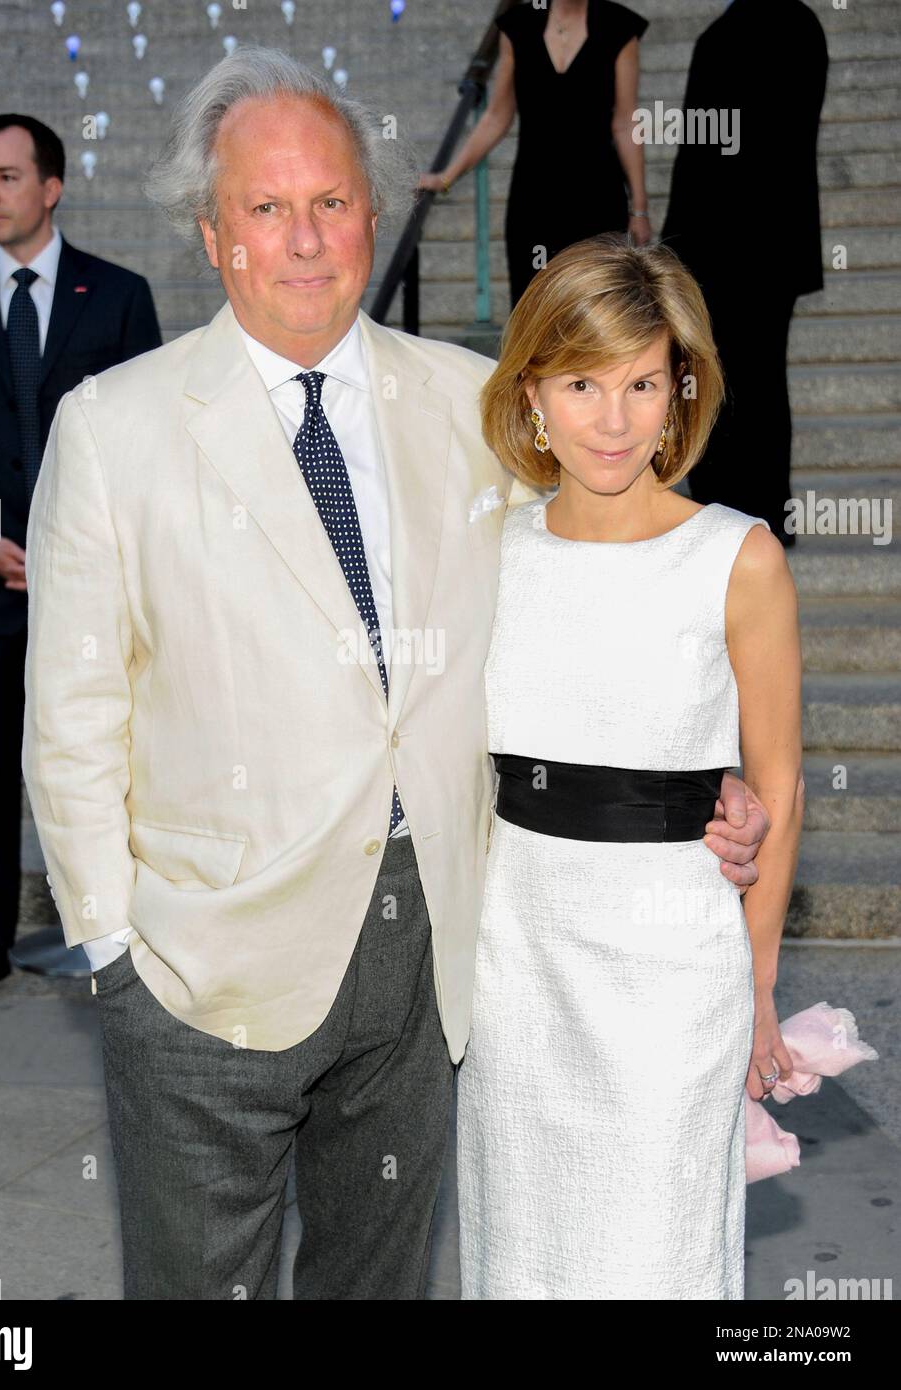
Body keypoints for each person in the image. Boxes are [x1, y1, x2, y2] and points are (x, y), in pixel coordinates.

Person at [21, 47, 769, 1301]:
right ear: (214, 235)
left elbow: (609, 580)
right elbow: (73, 711)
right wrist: (113, 949)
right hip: (206, 969)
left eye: (331, 201)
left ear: (373, 211)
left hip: (429, 960)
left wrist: (704, 779)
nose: (306, 238)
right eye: (267, 208)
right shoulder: (114, 426)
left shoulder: (475, 404)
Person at [456, 233, 805, 1299]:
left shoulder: (737, 557)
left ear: (678, 389)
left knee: (656, 1260)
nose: (614, 418)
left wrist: (758, 987)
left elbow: (778, 785)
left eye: (643, 382)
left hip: (671, 974)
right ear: (532, 395)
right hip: (516, 968)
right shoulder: (487, 551)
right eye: (582, 382)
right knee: (523, 1260)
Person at [0, 113, 161, 1009]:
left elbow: (146, 434)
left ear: (50, 187)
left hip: (96, 588)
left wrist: (83, 547)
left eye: (7, 177)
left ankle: (111, 934)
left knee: (106, 762)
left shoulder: (119, 297)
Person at [661, 0, 828, 542]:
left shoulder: (719, 38)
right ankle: (768, 511)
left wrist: (673, 247)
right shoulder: (805, 26)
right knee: (764, 378)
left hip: (721, 246)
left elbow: (697, 158)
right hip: (778, 246)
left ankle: (726, 507)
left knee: (721, 378)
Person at [418, 0, 651, 308]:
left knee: (596, 312)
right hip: (532, 200)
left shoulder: (619, 27)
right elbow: (497, 116)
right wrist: (446, 177)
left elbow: (625, 121)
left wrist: (639, 208)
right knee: (534, 309)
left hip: (597, 198)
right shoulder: (518, 27)